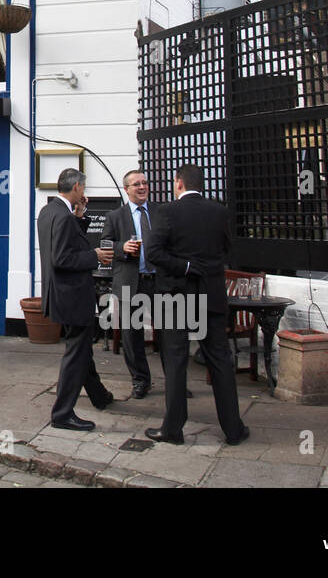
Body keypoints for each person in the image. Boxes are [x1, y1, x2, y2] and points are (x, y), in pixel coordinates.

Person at [143, 163, 249, 446]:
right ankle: (233, 430)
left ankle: (173, 429)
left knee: (176, 360)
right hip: (211, 295)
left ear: (178, 183)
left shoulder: (166, 211)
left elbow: (153, 253)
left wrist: (186, 265)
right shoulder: (219, 211)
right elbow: (227, 248)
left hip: (176, 295)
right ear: (200, 184)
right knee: (220, 361)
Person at [38, 167, 115, 431]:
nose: (85, 192)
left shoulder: (50, 211)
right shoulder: (62, 217)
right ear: (77, 188)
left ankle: (99, 395)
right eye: (83, 187)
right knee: (77, 353)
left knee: (82, 349)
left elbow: (69, 240)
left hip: (59, 294)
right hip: (72, 296)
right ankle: (62, 414)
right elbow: (62, 258)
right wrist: (95, 255)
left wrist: (80, 215)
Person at [103, 169, 156, 399]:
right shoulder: (116, 216)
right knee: (132, 335)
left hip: (158, 280)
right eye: (136, 184)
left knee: (170, 333)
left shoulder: (159, 212)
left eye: (144, 183)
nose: (142, 187)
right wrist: (121, 248)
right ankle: (140, 380)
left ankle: (175, 381)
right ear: (127, 189)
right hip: (129, 282)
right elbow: (105, 243)